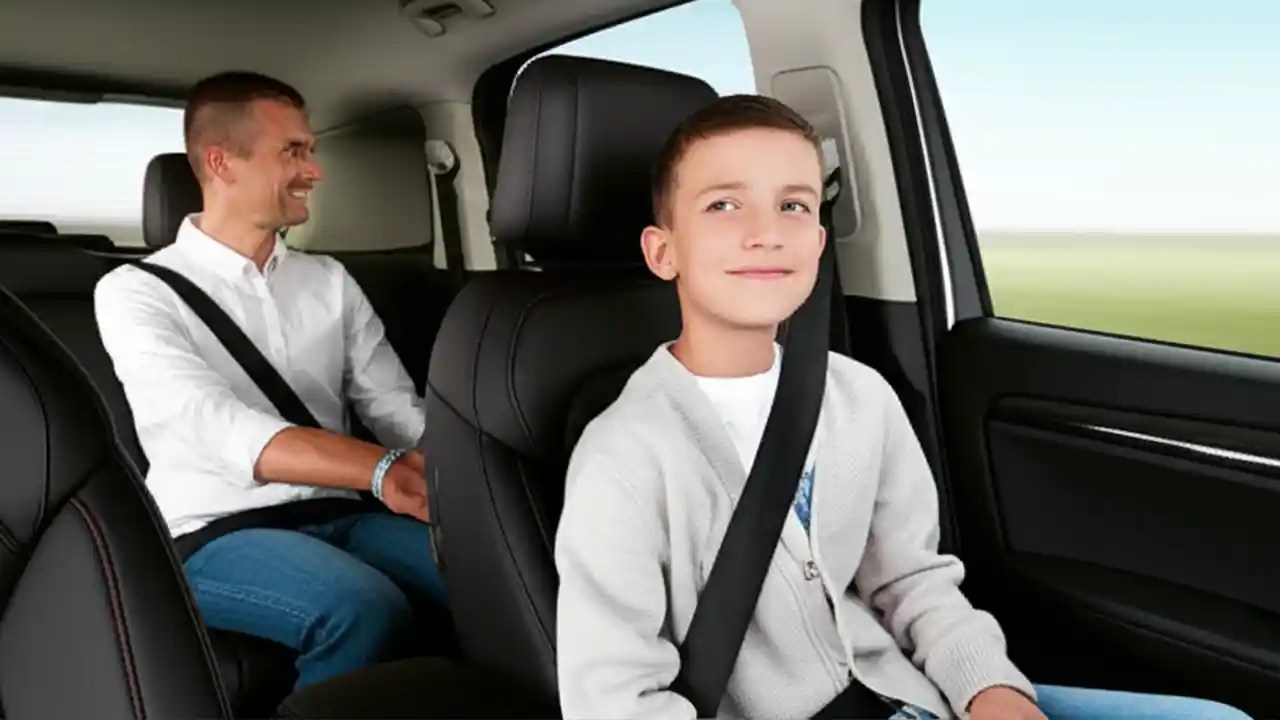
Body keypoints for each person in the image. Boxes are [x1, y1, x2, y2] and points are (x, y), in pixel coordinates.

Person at [553, 95, 1252, 720]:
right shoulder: (623, 459)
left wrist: (992, 692)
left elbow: (913, 581)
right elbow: (615, 701)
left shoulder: (859, 397)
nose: (766, 231)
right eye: (724, 205)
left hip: (918, 695)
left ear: (818, 243)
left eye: (793, 205)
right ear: (663, 250)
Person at [94, 71, 447, 690]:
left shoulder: (327, 280)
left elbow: (392, 404)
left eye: (311, 149)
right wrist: (382, 468)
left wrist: (465, 483)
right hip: (216, 528)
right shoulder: (135, 293)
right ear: (220, 162)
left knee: (491, 574)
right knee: (361, 608)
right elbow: (217, 427)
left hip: (342, 511)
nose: (315, 170)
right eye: (294, 151)